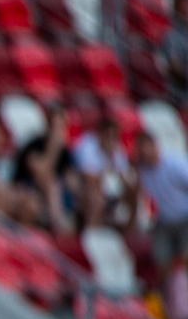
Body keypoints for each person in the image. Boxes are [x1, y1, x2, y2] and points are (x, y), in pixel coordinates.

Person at [11, 104, 76, 232]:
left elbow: (72, 181)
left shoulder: (65, 152)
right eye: (55, 126)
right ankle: (57, 230)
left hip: (55, 196)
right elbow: (41, 173)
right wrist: (53, 148)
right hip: (26, 189)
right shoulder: (34, 145)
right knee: (52, 186)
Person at [134, 132, 188, 279]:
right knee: (161, 263)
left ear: (154, 146)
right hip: (164, 221)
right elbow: (140, 197)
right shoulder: (143, 171)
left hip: (185, 218)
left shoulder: (175, 164)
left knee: (185, 258)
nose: (144, 153)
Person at [73, 118, 132, 229]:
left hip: (108, 190)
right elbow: (89, 179)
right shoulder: (87, 144)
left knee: (133, 190)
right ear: (100, 133)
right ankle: (91, 233)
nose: (111, 139)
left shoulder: (117, 149)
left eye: (114, 136)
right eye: (108, 135)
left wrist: (111, 158)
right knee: (97, 199)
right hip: (84, 189)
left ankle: (131, 234)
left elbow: (124, 178)